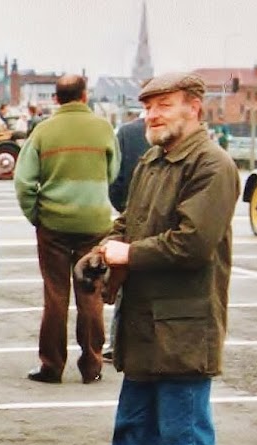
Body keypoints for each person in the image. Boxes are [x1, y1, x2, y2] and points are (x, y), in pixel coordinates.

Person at [56, 72, 238, 445]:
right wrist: (101, 251)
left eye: (164, 106)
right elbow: (129, 223)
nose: (151, 116)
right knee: (133, 428)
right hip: (143, 321)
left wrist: (127, 253)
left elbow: (192, 244)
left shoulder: (212, 165)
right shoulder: (154, 160)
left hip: (185, 323)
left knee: (185, 436)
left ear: (194, 109)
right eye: (148, 107)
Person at [14, 74, 119, 385]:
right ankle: (92, 366)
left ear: (56, 98)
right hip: (95, 225)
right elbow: (112, 174)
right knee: (91, 295)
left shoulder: (43, 131)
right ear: (84, 96)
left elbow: (23, 182)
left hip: (54, 226)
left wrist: (37, 215)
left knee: (56, 296)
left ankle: (51, 366)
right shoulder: (103, 129)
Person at [102, 109, 152, 362]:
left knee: (124, 281)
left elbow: (116, 178)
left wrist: (124, 210)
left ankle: (116, 343)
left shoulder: (127, 132)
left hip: (131, 216)